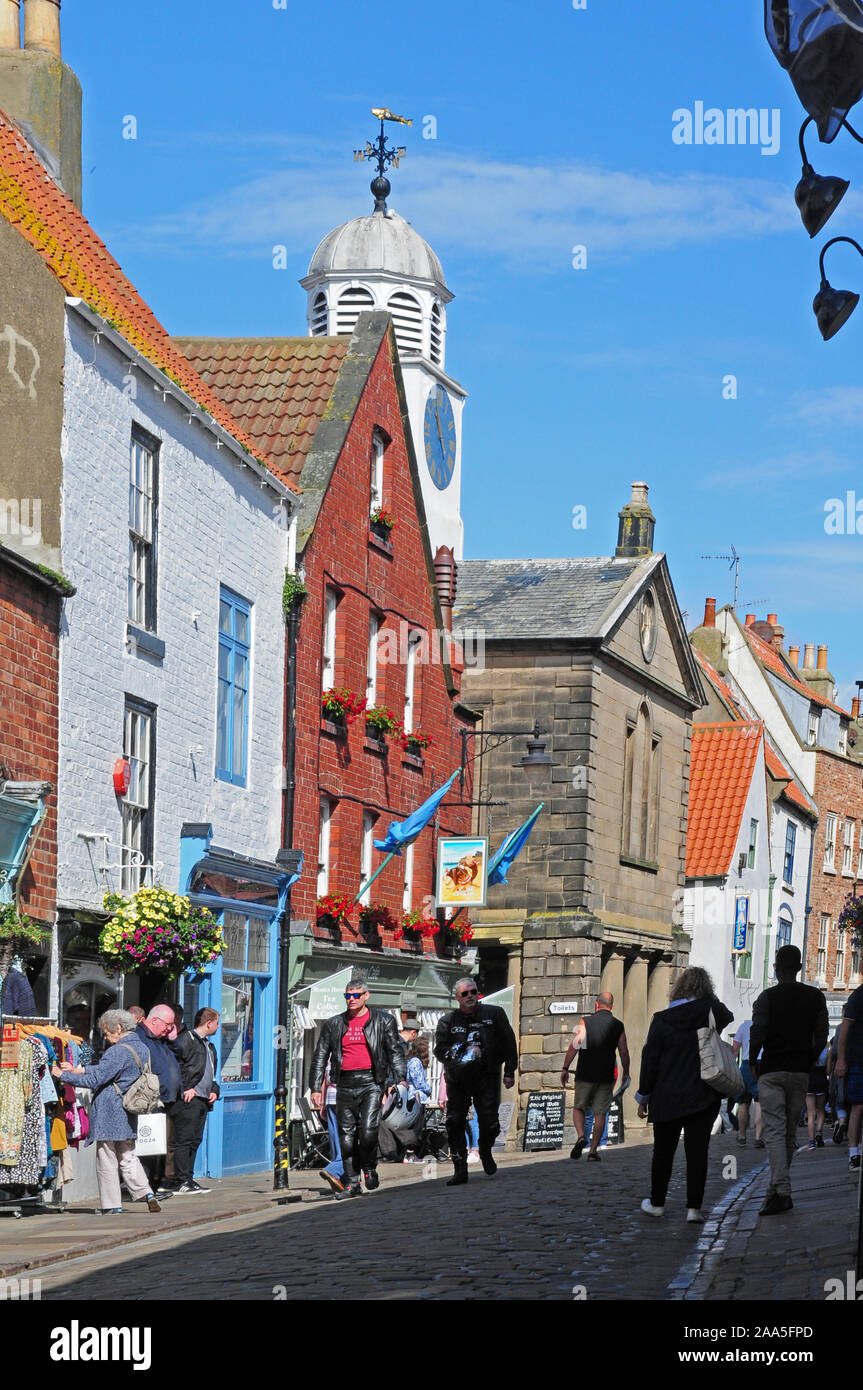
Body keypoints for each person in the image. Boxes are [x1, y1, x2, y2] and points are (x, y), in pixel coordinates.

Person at [636, 966, 734, 1223]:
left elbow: (650, 1059)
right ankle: (694, 1208)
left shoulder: (662, 1019)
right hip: (702, 1094)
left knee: (663, 1152)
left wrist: (643, 1095)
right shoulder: (710, 1010)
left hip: (666, 1095)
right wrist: (708, 999)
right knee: (697, 1152)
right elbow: (727, 1014)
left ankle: (657, 1203)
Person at [51, 1008, 163, 1215]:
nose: (105, 1036)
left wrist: (62, 1075)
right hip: (130, 1108)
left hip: (110, 1108)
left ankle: (112, 1205)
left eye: (107, 1032)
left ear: (118, 1028)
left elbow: (97, 1079)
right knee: (128, 1155)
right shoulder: (141, 1048)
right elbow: (109, 1071)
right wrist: (80, 1069)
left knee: (107, 1158)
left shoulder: (117, 1050)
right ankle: (147, 1193)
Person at [749, 944, 829, 1215]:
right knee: (788, 1132)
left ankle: (782, 1191)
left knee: (775, 1131)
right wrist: (810, 1057)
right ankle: (774, 1191)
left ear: (776, 967)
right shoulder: (815, 997)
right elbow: (822, 1033)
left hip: (772, 1070)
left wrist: (752, 1061)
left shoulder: (766, 998)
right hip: (800, 1072)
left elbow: (757, 1033)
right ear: (798, 968)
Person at [310, 976, 404, 1198]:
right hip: (344, 1083)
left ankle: (369, 1168)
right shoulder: (334, 1024)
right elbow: (320, 1056)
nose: (351, 999)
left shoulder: (383, 1021)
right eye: (347, 996)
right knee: (346, 1136)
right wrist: (315, 1088)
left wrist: (398, 1080)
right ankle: (352, 1182)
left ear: (366, 996)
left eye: (355, 995)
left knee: (369, 1131)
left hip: (371, 1082)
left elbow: (395, 1052)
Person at [434, 978, 518, 1186]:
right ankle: (460, 1169)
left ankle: (485, 1149)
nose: (470, 996)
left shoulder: (494, 1014)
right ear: (457, 998)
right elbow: (440, 1049)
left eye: (473, 992)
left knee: (490, 1123)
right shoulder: (448, 1021)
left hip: (486, 1075)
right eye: (465, 994)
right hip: (458, 1079)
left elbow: (509, 1041)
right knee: (454, 1122)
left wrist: (509, 1070)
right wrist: (460, 1052)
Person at [560, 991, 630, 1162]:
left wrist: (565, 1067)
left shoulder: (586, 1021)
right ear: (611, 1006)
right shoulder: (618, 1025)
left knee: (579, 1107)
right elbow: (623, 1051)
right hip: (605, 1075)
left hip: (585, 1073)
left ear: (596, 1005)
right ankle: (592, 1151)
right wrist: (626, 1072)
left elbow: (575, 1045)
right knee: (600, 1113)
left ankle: (581, 1136)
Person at [168, 1007, 220, 1194]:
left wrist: (214, 1090)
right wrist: (185, 1088)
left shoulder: (208, 1045)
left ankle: (188, 1179)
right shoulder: (187, 1040)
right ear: (209, 1022)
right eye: (217, 1022)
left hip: (204, 1099)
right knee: (184, 1140)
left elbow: (211, 1073)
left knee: (195, 1140)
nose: (218, 1026)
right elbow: (174, 1066)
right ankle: (180, 1180)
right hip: (189, 1098)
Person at [135, 1004, 182, 1197]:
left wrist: (173, 1041)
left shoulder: (161, 1039)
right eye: (168, 1024)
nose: (170, 1028)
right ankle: (145, 1190)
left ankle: (154, 1187)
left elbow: (180, 1056)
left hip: (166, 1101)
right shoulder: (140, 1037)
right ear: (154, 1020)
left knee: (159, 1148)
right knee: (147, 1149)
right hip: (149, 1102)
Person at [835, 977, 863, 1173]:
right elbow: (845, 1028)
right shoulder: (859, 995)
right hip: (859, 1060)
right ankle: (854, 1153)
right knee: (858, 1107)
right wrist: (841, 1060)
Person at [732, 1018, 764, 1148]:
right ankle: (758, 1138)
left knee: (743, 1102)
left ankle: (742, 1135)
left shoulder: (744, 1025)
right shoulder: (768, 1023)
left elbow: (735, 1049)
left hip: (745, 1065)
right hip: (762, 1064)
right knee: (759, 1101)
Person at [805, 1045, 829, 1151]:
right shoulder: (826, 1052)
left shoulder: (806, 1051)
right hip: (821, 1080)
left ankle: (811, 1143)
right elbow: (828, 1071)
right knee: (820, 1109)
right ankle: (819, 1131)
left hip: (809, 1082)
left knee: (811, 1113)